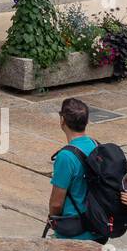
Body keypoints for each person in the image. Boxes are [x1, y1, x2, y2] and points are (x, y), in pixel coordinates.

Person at [48, 97, 98, 240]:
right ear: (86, 122)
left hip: (75, 229)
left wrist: (52, 219)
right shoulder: (94, 144)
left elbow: (56, 203)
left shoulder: (66, 156)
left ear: (62, 120)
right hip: (96, 223)